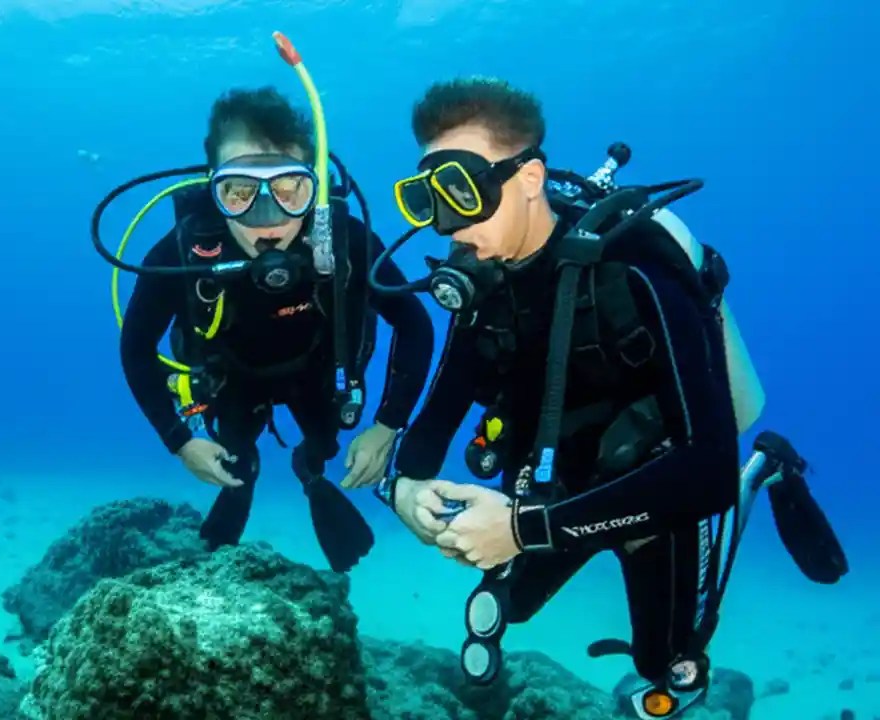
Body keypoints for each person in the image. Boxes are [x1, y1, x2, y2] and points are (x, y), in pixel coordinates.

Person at [368, 77, 847, 718]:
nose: (449, 224)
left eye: (463, 191)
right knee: (512, 604)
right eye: (427, 198)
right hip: (558, 480)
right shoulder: (481, 284)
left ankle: (765, 469)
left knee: (669, 670)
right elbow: (439, 411)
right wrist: (404, 486)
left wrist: (521, 527)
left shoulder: (635, 271)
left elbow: (704, 471)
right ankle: (548, 540)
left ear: (530, 177)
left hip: (662, 486)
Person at [96, 86, 434, 573]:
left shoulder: (345, 242)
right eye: (239, 192)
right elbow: (136, 347)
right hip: (230, 379)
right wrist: (180, 440)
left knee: (320, 449)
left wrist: (387, 426)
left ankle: (311, 472)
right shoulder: (184, 253)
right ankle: (244, 477)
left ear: (314, 185)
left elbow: (415, 324)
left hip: (318, 374)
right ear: (213, 187)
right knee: (235, 456)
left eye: (288, 190)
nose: (267, 219)